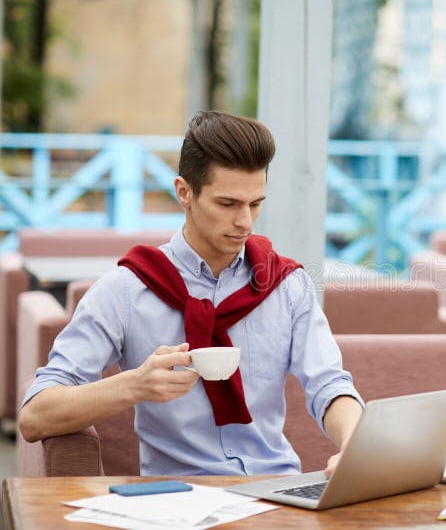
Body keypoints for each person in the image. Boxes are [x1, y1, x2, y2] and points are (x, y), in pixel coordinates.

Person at [18, 111, 363, 476]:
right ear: (184, 192)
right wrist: (135, 384)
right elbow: (35, 416)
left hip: (276, 493)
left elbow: (329, 384)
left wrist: (355, 446)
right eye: (227, 204)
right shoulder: (126, 290)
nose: (245, 221)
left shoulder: (286, 284)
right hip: (180, 500)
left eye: (256, 204)